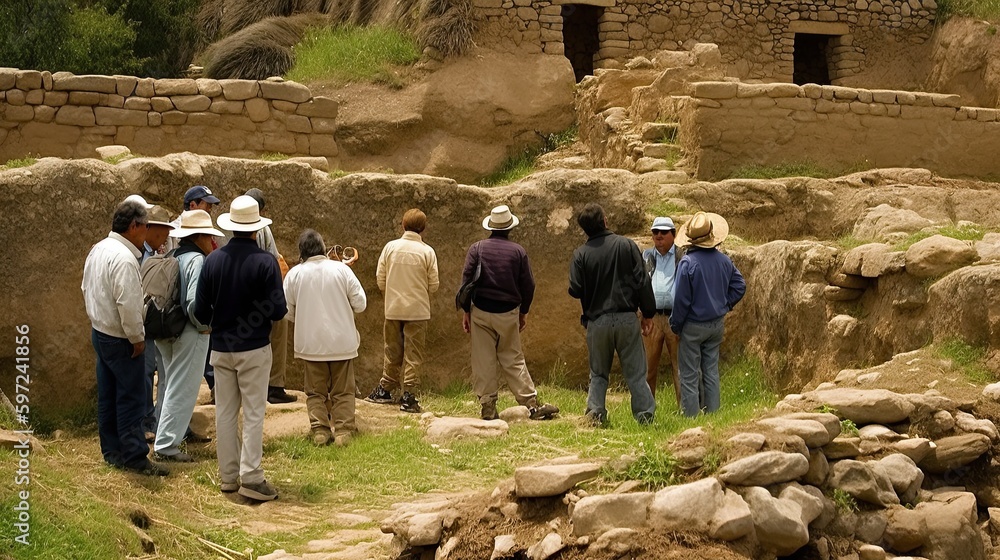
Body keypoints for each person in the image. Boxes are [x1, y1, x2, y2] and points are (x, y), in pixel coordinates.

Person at [194, 196, 287, 501]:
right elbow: (277, 310)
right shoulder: (265, 262)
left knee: (225, 412)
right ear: (257, 228)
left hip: (220, 348)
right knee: (254, 413)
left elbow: (200, 311)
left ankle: (228, 477)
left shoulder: (212, 260)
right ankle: (252, 477)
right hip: (254, 347)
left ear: (231, 227)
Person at [82, 198, 168, 476]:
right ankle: (134, 457)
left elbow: (86, 287)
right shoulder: (124, 259)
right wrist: (137, 338)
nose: (147, 232)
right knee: (131, 397)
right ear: (134, 226)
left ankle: (112, 451)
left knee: (108, 395)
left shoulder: (99, 249)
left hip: (100, 331)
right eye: (145, 227)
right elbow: (129, 305)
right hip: (120, 337)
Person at [460, 205, 559, 421]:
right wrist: (523, 311)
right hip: (507, 311)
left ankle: (487, 405)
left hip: (481, 310)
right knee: (513, 357)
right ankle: (531, 404)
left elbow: (466, 281)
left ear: (491, 227)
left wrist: (466, 311)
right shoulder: (518, 252)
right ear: (509, 228)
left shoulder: (477, 248)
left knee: (482, 358)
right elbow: (528, 285)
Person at [568, 203, 656, 427]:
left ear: (584, 229)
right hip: (627, 317)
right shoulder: (626, 245)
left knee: (598, 374)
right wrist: (648, 313)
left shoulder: (580, 255)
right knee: (636, 374)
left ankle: (595, 416)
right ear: (605, 220)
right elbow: (642, 281)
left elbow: (575, 289)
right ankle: (645, 417)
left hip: (597, 321)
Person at [284, 229, 367, 446]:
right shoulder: (341, 270)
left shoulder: (294, 274)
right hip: (342, 341)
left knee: (314, 391)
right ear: (322, 247)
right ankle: (344, 431)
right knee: (344, 390)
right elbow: (361, 303)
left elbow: (287, 311)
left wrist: (304, 319)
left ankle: (320, 430)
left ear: (301, 251)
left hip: (310, 344)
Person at [152, 210, 224, 462]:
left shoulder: (173, 255)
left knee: (171, 385)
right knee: (182, 388)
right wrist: (204, 324)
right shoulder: (197, 260)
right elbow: (194, 300)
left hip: (165, 329)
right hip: (189, 331)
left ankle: (166, 439)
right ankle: (167, 446)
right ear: (201, 236)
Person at [669, 212, 746, 418]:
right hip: (716, 323)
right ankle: (713, 415)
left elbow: (681, 301)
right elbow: (740, 285)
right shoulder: (724, 260)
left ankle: (691, 417)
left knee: (689, 373)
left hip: (693, 325)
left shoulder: (687, 263)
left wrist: (676, 325)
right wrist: (726, 304)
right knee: (711, 370)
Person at [367, 208, 439, 413]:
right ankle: (408, 396)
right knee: (413, 354)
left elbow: (380, 279)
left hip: (393, 309)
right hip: (418, 311)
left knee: (392, 350)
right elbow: (434, 285)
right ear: (423, 228)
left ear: (402, 225)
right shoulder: (427, 252)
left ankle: (385, 389)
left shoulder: (390, 247)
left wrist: (390, 297)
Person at [244, 188, 296, 405]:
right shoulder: (262, 228)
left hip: (231, 299)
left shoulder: (222, 228)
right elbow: (275, 261)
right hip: (260, 297)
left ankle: (219, 387)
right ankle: (274, 386)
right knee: (280, 322)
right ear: (261, 211)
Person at [181, 185, 222, 403]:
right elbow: (190, 299)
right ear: (193, 205)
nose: (210, 210)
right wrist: (203, 324)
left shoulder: (203, 233)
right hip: (192, 319)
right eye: (206, 204)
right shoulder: (191, 252)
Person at [642, 216, 682, 405]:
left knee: (679, 367)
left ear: (673, 235)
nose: (658, 236)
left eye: (664, 232)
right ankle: (647, 409)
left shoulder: (682, 256)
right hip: (653, 318)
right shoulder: (646, 256)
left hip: (675, 317)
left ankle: (685, 408)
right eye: (655, 232)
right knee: (648, 367)